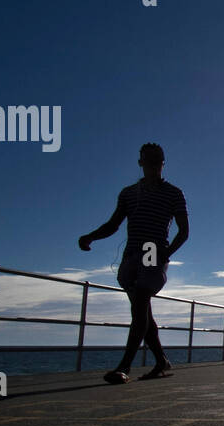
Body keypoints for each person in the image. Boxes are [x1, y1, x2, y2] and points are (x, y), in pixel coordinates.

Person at [79, 143, 188, 383]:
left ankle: (125, 367)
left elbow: (184, 231)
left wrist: (166, 254)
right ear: (140, 163)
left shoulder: (173, 193)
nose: (152, 165)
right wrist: (91, 237)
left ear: (162, 163)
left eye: (156, 160)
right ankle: (161, 360)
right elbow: (113, 224)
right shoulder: (128, 193)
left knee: (139, 305)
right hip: (130, 255)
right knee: (142, 311)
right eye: (147, 160)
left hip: (152, 252)